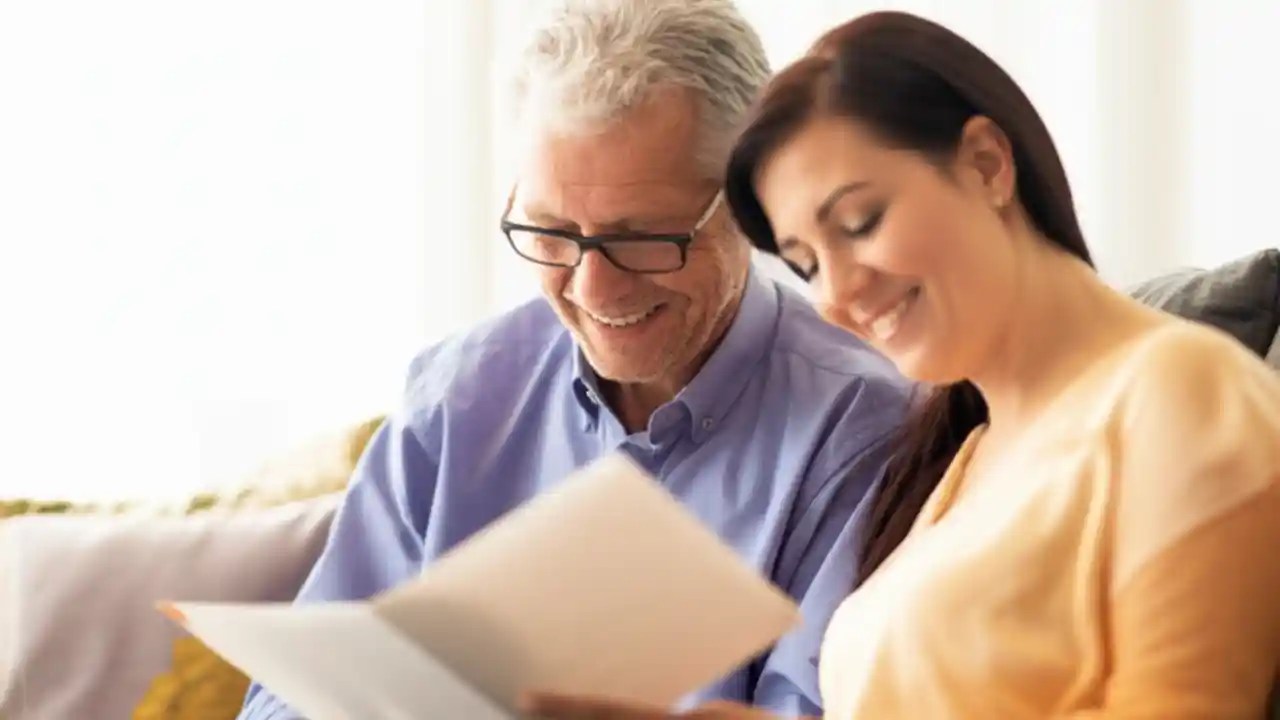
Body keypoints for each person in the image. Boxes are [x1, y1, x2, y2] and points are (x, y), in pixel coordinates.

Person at [525, 10, 1280, 720]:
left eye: (860, 222)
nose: (839, 294)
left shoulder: (1181, 394)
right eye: (806, 264)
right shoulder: (965, 454)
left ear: (986, 164)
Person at [237, 2, 914, 718]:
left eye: (642, 236)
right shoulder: (456, 397)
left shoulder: (865, 429)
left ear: (754, 201)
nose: (592, 289)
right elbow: (290, 696)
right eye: (553, 232)